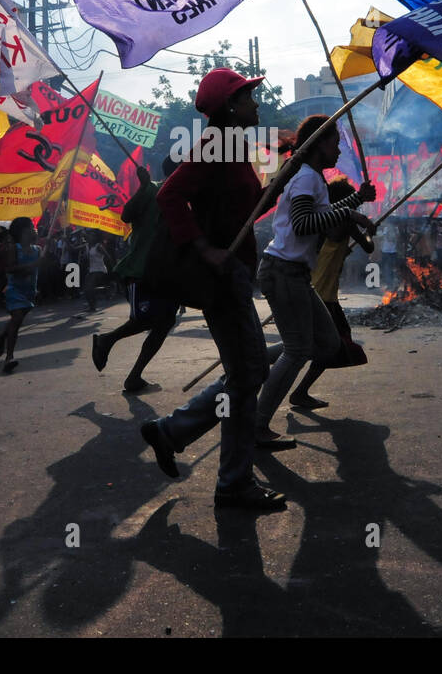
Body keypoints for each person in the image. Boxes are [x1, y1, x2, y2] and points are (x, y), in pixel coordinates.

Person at [139, 68, 288, 511]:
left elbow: (243, 210)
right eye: (248, 97)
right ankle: (230, 482)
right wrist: (203, 248)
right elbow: (169, 195)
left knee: (248, 373)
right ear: (229, 106)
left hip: (235, 274)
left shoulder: (234, 147)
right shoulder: (212, 147)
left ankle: (174, 434)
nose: (256, 105)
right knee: (248, 375)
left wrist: (276, 183)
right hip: (221, 278)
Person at [255, 116, 376, 443]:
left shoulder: (313, 179)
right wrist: (351, 211)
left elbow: (320, 215)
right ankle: (257, 424)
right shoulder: (306, 178)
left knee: (327, 343)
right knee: (298, 350)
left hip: (293, 274)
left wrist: (355, 200)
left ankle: (253, 360)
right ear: (320, 143)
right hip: (283, 271)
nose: (338, 150)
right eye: (335, 142)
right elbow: (304, 224)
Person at [92, 158, 179, 393]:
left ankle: (135, 377)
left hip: (168, 275)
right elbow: (126, 215)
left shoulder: (186, 199)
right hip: (142, 270)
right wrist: (142, 187)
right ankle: (106, 340)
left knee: (165, 323)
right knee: (144, 320)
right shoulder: (152, 190)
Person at [289, 177, 374, 410]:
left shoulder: (323, 225)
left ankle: (299, 390)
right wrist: (368, 231)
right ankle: (293, 386)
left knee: (326, 346)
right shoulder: (344, 223)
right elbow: (368, 246)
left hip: (323, 294)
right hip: (323, 296)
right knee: (325, 346)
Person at [0, 217, 41, 374]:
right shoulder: (14, 248)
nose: (35, 230)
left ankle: (2, 336)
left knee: (16, 321)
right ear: (22, 232)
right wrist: (31, 266)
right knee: (17, 319)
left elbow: (42, 267)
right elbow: (10, 269)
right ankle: (9, 357)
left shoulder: (38, 250)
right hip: (14, 290)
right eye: (31, 227)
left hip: (29, 292)